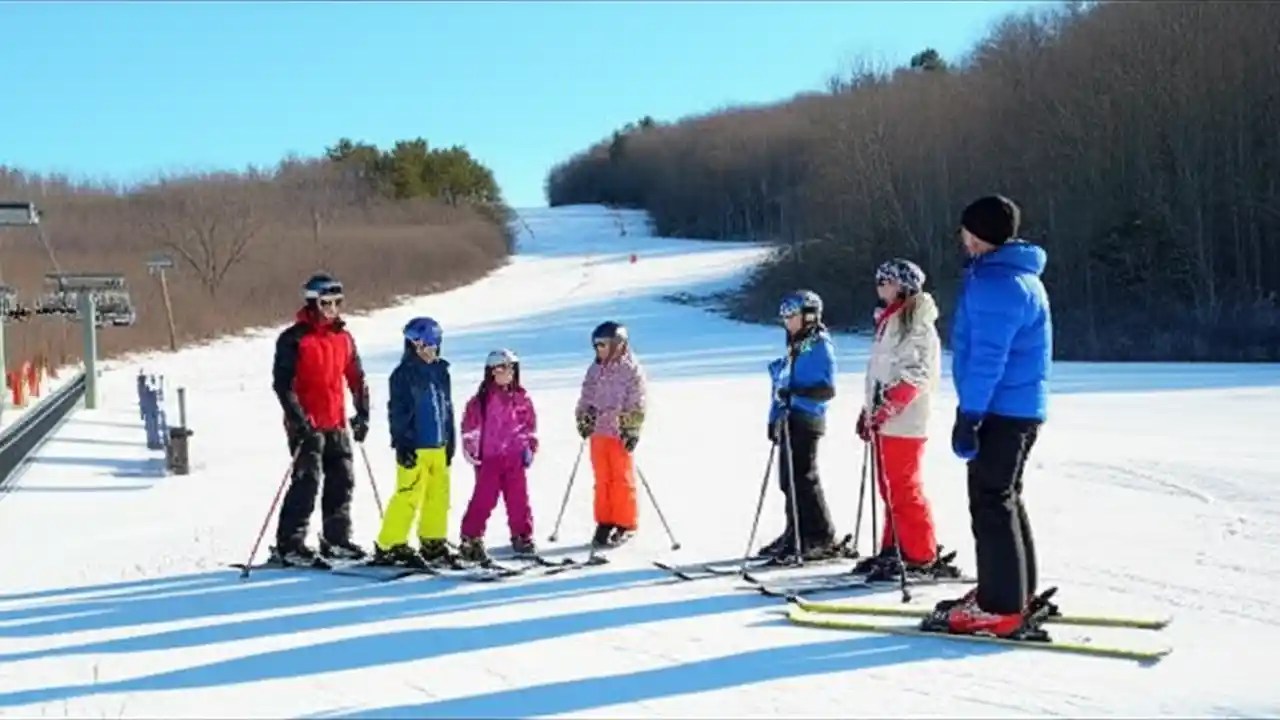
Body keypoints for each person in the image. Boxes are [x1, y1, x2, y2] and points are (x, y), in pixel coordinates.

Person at [939, 194, 1052, 638]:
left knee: (990, 501)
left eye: (967, 231)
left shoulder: (997, 285)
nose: (962, 239)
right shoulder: (1017, 276)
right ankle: (1013, 592)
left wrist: (970, 415)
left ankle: (1000, 605)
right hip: (1020, 408)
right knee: (1004, 497)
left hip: (1001, 409)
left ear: (980, 234)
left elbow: (988, 357)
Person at [270, 272, 371, 565]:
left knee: (342, 480)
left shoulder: (344, 337)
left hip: (335, 422)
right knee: (307, 481)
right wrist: (299, 421)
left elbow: (356, 377)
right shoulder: (294, 339)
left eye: (338, 302)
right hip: (306, 424)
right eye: (327, 302)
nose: (333, 308)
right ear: (313, 303)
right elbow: (282, 384)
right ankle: (290, 544)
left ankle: (336, 540)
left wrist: (362, 412)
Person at [853, 258, 944, 577]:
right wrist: (869, 410)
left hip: (905, 421)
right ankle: (895, 546)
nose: (880, 286)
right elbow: (881, 372)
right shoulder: (890, 321)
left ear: (903, 285)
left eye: (886, 280)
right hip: (886, 420)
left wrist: (889, 405)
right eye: (879, 280)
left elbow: (916, 373)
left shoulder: (915, 322)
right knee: (889, 487)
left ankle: (920, 552)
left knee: (903, 486)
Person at [758, 289, 840, 560]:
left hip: (807, 418)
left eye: (791, 315)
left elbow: (826, 388)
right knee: (788, 481)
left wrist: (795, 395)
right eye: (783, 315)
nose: (786, 321)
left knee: (803, 478)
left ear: (808, 315)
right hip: (790, 417)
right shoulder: (798, 345)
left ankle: (818, 534)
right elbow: (783, 382)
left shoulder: (819, 344)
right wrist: (774, 418)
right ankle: (796, 530)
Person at [371, 316, 457, 567]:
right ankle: (390, 544)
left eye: (436, 345)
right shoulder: (403, 375)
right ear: (414, 346)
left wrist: (450, 439)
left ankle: (433, 541)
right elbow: (397, 412)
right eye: (428, 345)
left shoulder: (441, 372)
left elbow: (447, 408)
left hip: (438, 446)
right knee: (408, 495)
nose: (433, 350)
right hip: (415, 446)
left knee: (438, 496)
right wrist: (402, 443)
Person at [457, 348, 540, 562]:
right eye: (500, 368)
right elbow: (470, 427)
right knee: (484, 499)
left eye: (509, 368)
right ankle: (471, 537)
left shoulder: (521, 398)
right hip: (490, 460)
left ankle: (522, 535)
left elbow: (529, 426)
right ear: (491, 372)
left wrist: (529, 446)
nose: (505, 373)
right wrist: (472, 449)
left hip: (514, 458)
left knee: (518, 499)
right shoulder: (481, 401)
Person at [574, 321, 647, 550]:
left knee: (621, 479)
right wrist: (584, 416)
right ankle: (605, 520)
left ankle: (625, 522)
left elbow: (637, 401)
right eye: (596, 346)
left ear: (618, 344)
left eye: (603, 345)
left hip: (618, 434)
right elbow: (587, 394)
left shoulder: (631, 370)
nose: (599, 350)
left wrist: (631, 428)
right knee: (602, 479)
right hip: (599, 433)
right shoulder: (595, 368)